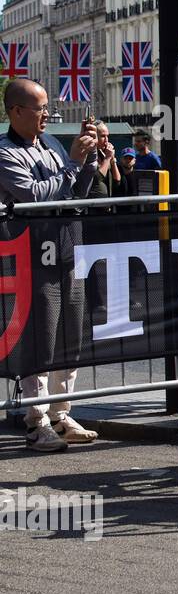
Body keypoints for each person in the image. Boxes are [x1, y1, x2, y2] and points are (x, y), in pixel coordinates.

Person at [0, 78, 100, 450]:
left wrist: (90, 161)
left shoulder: (54, 144)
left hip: (66, 251)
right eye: (40, 107)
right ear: (16, 112)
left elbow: (74, 193)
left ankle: (61, 413)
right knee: (38, 341)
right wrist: (74, 162)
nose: (48, 114)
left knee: (68, 340)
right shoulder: (5, 152)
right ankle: (35, 420)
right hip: (30, 257)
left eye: (47, 107)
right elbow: (33, 195)